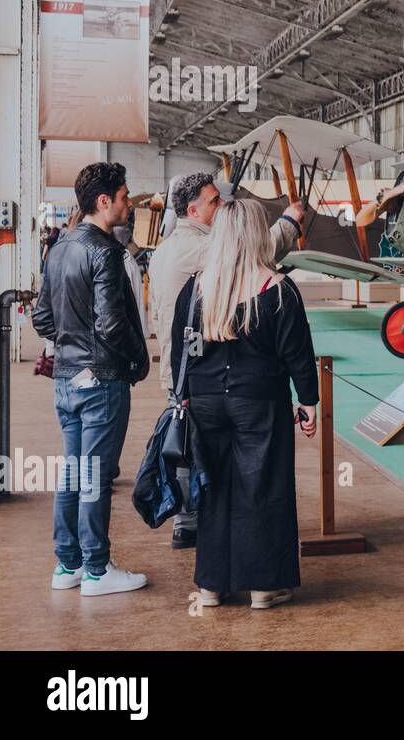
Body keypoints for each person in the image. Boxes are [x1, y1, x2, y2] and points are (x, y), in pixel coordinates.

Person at [172, 198, 318, 609]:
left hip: (205, 402)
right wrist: (309, 402)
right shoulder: (276, 288)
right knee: (264, 488)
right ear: (257, 234)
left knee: (213, 489)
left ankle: (212, 586)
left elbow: (182, 347)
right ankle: (263, 586)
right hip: (260, 402)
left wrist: (183, 393)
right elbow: (297, 355)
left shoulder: (198, 286)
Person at [148, 172, 303, 548]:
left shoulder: (165, 249)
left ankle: (189, 519)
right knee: (196, 446)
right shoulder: (204, 249)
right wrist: (289, 222)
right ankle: (192, 521)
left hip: (181, 365)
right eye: (215, 201)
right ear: (193, 210)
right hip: (201, 371)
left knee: (187, 441)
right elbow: (256, 252)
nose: (222, 207)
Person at [32, 162, 150, 596]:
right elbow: (111, 324)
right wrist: (139, 358)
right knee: (94, 475)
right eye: (123, 196)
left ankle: (68, 566)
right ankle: (98, 570)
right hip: (100, 379)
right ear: (105, 202)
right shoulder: (105, 251)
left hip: (67, 379)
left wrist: (70, 341)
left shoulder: (59, 247)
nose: (126, 204)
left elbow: (43, 316)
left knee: (73, 472)